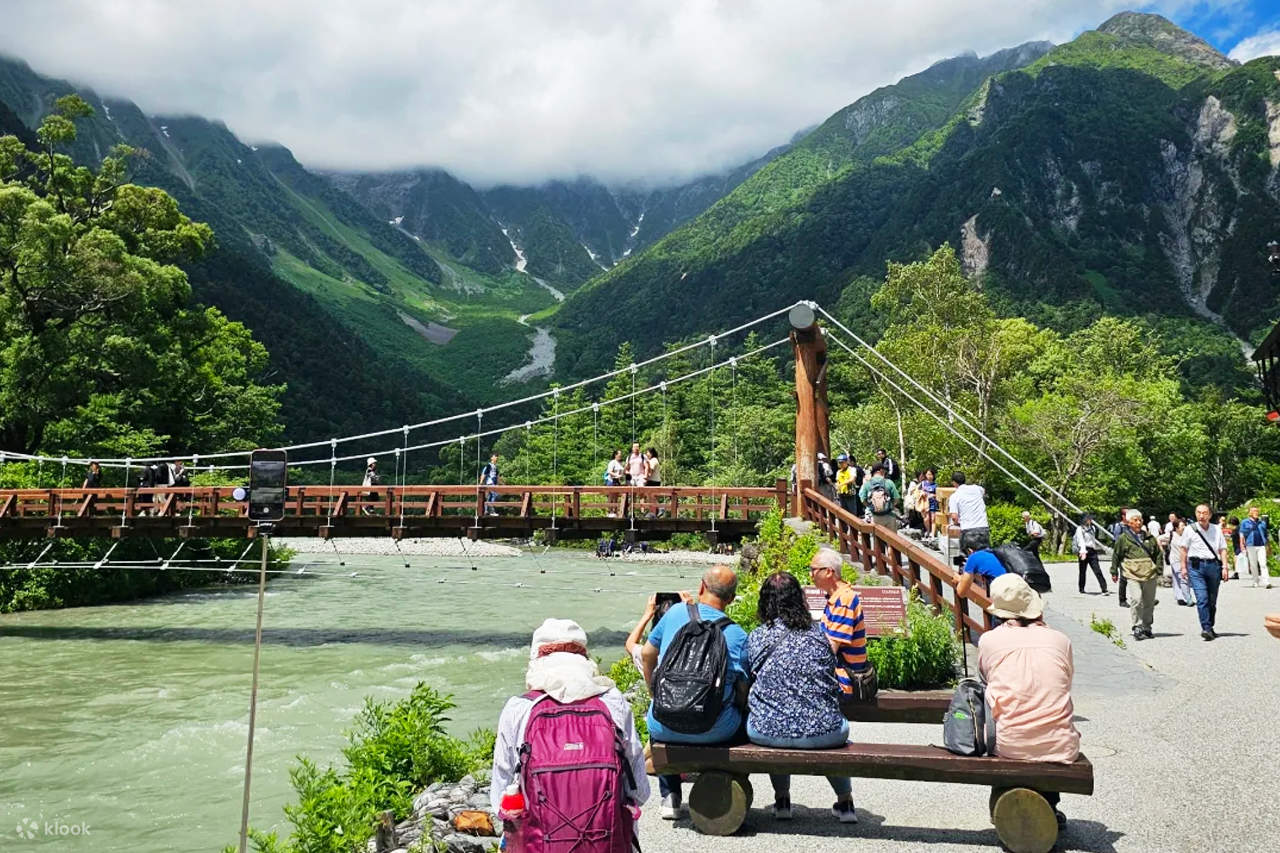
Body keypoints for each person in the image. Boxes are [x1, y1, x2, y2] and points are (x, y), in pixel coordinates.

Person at [490, 618, 649, 839]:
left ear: (536, 658)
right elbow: (640, 792)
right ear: (584, 658)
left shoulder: (518, 709)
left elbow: (500, 799)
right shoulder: (614, 703)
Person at [747, 571, 857, 823]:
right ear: (800, 599)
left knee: (776, 717)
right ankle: (846, 803)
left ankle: (782, 799)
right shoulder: (819, 635)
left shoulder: (757, 637)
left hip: (767, 731)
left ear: (765, 602)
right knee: (830, 726)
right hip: (824, 733)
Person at [641, 565, 749, 819]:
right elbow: (742, 687)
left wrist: (653, 691)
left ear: (701, 587)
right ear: (731, 599)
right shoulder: (737, 634)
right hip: (716, 731)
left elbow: (647, 653)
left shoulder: (676, 611)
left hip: (664, 725)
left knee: (661, 716)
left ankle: (670, 796)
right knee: (739, 715)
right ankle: (722, 788)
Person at [978, 574, 1081, 828]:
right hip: (1059, 746)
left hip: (1008, 744)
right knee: (1047, 728)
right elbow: (1065, 682)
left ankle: (1007, 805)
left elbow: (985, 678)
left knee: (1008, 725)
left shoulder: (989, 641)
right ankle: (1048, 805)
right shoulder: (1060, 640)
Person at [809, 548, 870, 709]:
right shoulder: (837, 597)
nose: (810, 575)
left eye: (813, 570)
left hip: (845, 680)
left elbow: (829, 650)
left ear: (829, 572)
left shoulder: (844, 600)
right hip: (839, 672)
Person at [1109, 509, 1163, 641]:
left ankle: (1147, 627)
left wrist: (1159, 569)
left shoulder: (1150, 538)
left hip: (1149, 573)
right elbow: (1117, 555)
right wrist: (1114, 571)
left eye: (1140, 520)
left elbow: (1158, 554)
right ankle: (1137, 626)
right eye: (1135, 520)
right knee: (1137, 599)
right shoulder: (1123, 539)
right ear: (1128, 522)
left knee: (1149, 602)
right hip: (1132, 573)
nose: (1138, 522)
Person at [1179, 504, 1229, 641]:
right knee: (1202, 598)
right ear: (1196, 514)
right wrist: (1183, 567)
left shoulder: (1216, 529)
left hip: (1213, 566)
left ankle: (1210, 626)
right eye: (1199, 513)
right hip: (1196, 566)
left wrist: (1225, 567)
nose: (1202, 516)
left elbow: (1223, 549)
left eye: (1205, 513)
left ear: (1210, 515)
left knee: (1212, 601)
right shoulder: (1190, 529)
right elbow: (1183, 549)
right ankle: (1206, 628)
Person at [624, 594, 675, 671]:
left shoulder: (648, 657)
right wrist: (691, 610)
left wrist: (647, 614)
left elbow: (629, 644)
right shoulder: (690, 652)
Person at [948, 472, 989, 553]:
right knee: (984, 555)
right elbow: (983, 491)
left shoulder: (954, 496)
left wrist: (957, 523)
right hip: (983, 528)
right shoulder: (977, 488)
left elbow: (954, 517)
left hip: (968, 531)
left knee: (968, 558)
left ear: (954, 483)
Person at [1072, 514, 1108, 595]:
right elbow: (1080, 540)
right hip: (1083, 551)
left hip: (1092, 551)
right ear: (1084, 520)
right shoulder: (1080, 529)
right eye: (1089, 519)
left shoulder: (1092, 528)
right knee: (1082, 571)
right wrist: (1083, 551)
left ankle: (1104, 588)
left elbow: (1093, 540)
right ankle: (1081, 588)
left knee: (1097, 570)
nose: (1090, 520)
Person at [1163, 514, 1194, 605]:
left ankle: (1180, 597)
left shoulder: (1187, 536)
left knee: (1178, 579)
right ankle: (1187, 598)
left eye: (1184, 525)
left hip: (1185, 560)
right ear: (1176, 528)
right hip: (1175, 560)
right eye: (1182, 526)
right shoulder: (1171, 535)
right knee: (1183, 578)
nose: (1184, 527)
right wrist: (1162, 550)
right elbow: (1159, 539)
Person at [859, 463, 901, 530]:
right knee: (891, 539)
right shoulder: (889, 482)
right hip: (888, 516)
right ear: (880, 471)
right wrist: (890, 505)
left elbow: (862, 499)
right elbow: (897, 499)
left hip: (874, 517)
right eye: (884, 470)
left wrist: (871, 507)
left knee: (877, 539)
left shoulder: (867, 484)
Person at [1240, 505, 1272, 589]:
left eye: (1257, 511)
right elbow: (1242, 534)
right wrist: (1241, 544)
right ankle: (1255, 580)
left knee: (1263, 563)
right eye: (1254, 511)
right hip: (1250, 545)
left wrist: (1268, 546)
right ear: (1249, 512)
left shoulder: (1262, 523)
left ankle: (1266, 582)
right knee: (1253, 564)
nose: (1256, 512)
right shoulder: (1245, 522)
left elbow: (1266, 535)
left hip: (1261, 545)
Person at [1109, 509, 1130, 607]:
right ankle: (1122, 600)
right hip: (1124, 557)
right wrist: (1114, 570)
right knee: (1124, 579)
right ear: (1123, 516)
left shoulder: (1132, 526)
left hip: (1133, 556)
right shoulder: (1119, 527)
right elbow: (1117, 547)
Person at [1226, 516, 1244, 581]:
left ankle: (1236, 573)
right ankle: (1236, 573)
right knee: (1236, 559)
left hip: (1239, 547)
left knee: (1236, 559)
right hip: (1237, 546)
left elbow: (1241, 537)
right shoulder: (1236, 529)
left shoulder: (1238, 529)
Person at [921, 468, 938, 536]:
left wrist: (933, 495)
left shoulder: (936, 484)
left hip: (933, 502)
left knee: (933, 518)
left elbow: (939, 495)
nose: (929, 476)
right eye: (928, 474)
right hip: (925, 503)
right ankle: (928, 530)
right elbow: (916, 492)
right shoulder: (923, 483)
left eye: (931, 474)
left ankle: (933, 534)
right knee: (926, 518)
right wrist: (922, 493)